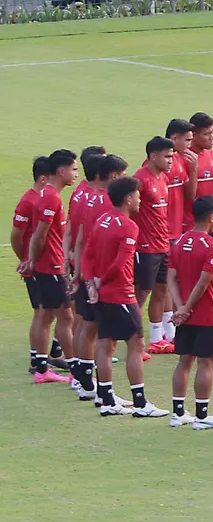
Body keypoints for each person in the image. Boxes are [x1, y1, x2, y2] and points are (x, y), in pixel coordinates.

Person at [85, 176, 168, 418]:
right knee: (135, 344)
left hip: (101, 294)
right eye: (138, 195)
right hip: (120, 294)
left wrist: (91, 282)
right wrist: (101, 280)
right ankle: (140, 403)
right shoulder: (129, 226)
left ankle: (108, 399)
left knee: (105, 343)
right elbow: (121, 263)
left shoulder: (102, 220)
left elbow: (88, 254)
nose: (140, 200)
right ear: (128, 198)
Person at [167, 195, 213, 430]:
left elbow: (171, 278)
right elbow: (204, 283)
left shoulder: (179, 242)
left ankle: (178, 413)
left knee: (184, 360)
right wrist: (188, 308)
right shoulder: (211, 246)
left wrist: (179, 307)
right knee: (206, 363)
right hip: (205, 314)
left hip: (184, 316)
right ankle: (202, 416)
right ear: (212, 217)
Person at [69, 150, 123, 399]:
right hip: (99, 275)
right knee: (100, 333)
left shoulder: (82, 193)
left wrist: (77, 270)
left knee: (84, 323)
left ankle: (82, 380)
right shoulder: (104, 202)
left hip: (84, 268)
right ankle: (99, 389)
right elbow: (95, 242)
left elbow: (77, 235)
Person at [22, 150, 78, 385]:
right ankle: (79, 373)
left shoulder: (47, 194)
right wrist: (32, 261)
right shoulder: (51, 197)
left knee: (44, 316)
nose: (76, 174)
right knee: (66, 318)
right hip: (52, 266)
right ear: (61, 171)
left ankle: (41, 368)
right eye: (74, 169)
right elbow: (39, 235)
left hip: (49, 265)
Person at [133, 137, 175, 356]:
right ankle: (135, 343)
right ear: (152, 156)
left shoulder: (163, 178)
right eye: (167, 156)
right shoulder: (140, 179)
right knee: (140, 295)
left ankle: (157, 339)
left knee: (162, 290)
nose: (171, 161)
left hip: (163, 243)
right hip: (145, 247)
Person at [13, 157, 53, 377]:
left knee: (45, 314)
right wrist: (26, 259)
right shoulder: (30, 201)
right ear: (45, 178)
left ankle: (39, 359)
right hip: (38, 266)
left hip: (42, 264)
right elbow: (16, 235)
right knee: (42, 313)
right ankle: (38, 363)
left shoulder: (42, 199)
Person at [163, 119, 200, 348]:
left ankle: (171, 329)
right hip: (162, 233)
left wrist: (193, 168)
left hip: (177, 229)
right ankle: (162, 332)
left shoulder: (180, 161)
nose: (190, 145)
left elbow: (190, 195)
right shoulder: (163, 163)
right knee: (162, 285)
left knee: (172, 280)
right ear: (174, 138)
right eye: (187, 140)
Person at [188, 113, 213, 237]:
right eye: (206, 134)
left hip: (212, 224)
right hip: (193, 224)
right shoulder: (186, 158)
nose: (211, 137)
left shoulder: (212, 155)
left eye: (212, 133)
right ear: (194, 135)